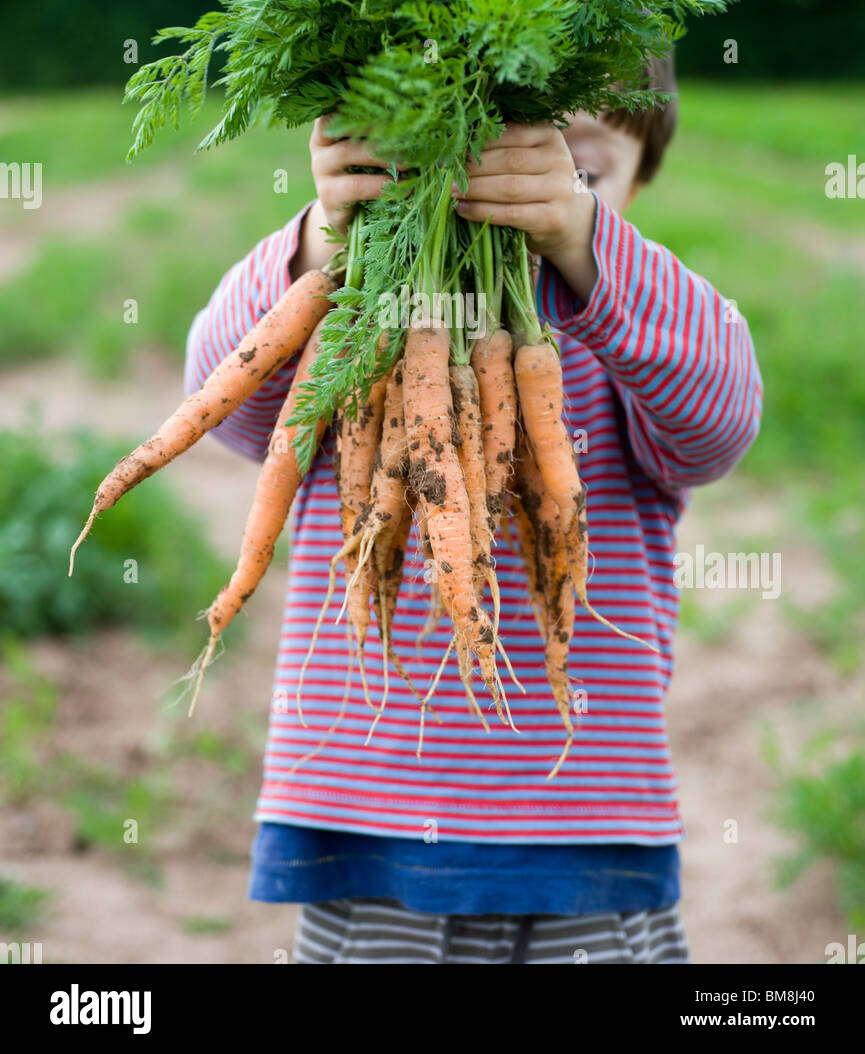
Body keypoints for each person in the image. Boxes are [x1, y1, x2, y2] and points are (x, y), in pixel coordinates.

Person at [184, 51, 762, 964]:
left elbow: (719, 427)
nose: (518, 186)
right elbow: (232, 404)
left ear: (639, 176)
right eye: (476, 155)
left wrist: (584, 243)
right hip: (366, 819)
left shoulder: (630, 332)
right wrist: (321, 240)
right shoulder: (352, 310)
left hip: (585, 825)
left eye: (574, 168)